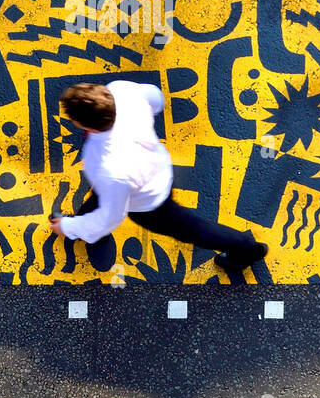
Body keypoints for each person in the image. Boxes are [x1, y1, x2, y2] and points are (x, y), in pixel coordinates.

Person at [49, 81, 269, 272]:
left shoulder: (108, 166)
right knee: (100, 195)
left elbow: (111, 216)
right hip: (153, 172)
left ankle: (246, 248)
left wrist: (67, 228)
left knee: (191, 230)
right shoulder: (122, 91)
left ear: (84, 125)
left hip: (148, 204)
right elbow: (156, 98)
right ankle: (81, 227)